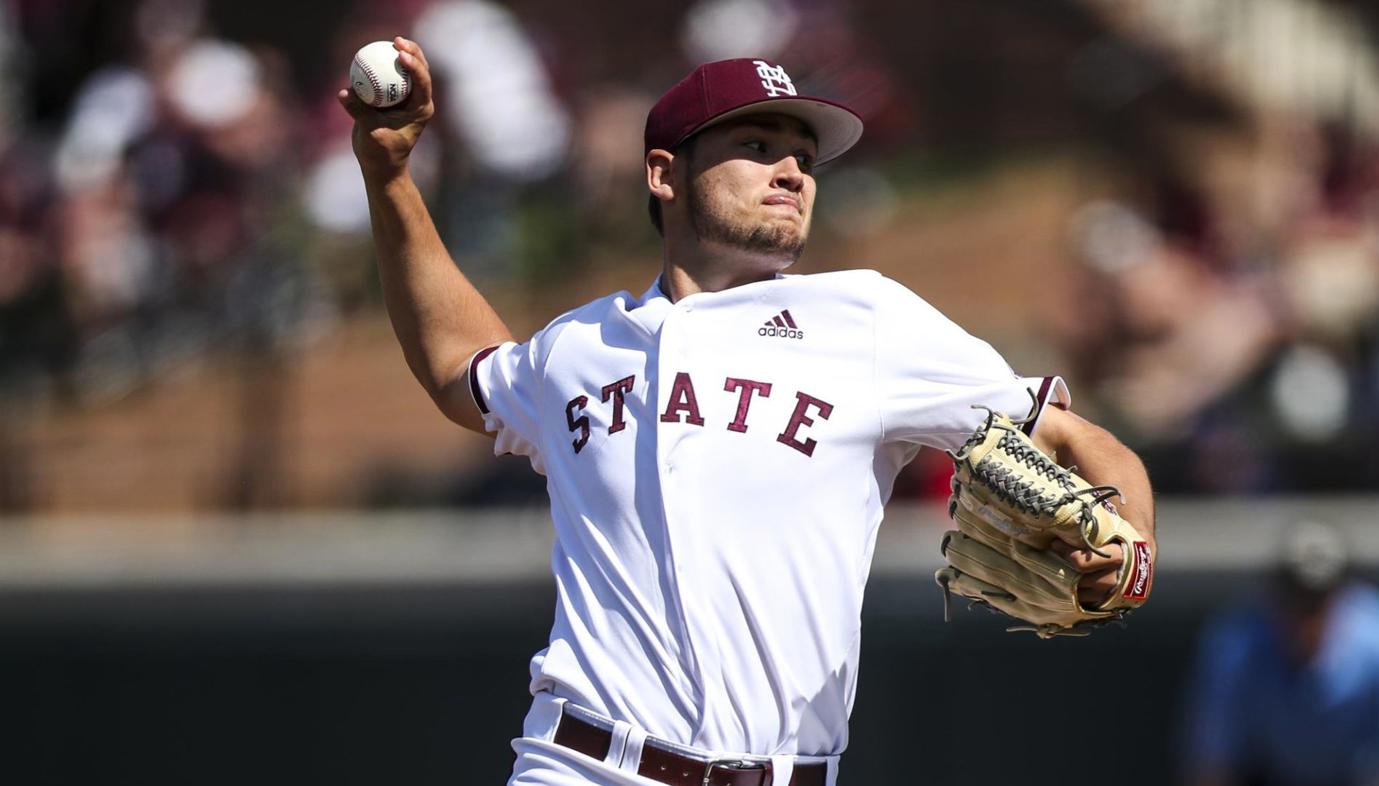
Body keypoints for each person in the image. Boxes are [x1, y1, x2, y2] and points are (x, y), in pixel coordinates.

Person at [338, 38, 1157, 786]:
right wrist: (390, 177)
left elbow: (1079, 440)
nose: (792, 173)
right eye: (757, 149)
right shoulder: (581, 344)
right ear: (664, 173)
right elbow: (460, 370)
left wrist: (1133, 547)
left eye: (803, 157)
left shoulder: (866, 320)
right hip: (581, 763)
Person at [1182, 521, 1379, 786]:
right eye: (1296, 599)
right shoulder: (1236, 644)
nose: (1305, 617)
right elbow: (1211, 765)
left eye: (1316, 603)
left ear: (1342, 595)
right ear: (1275, 594)